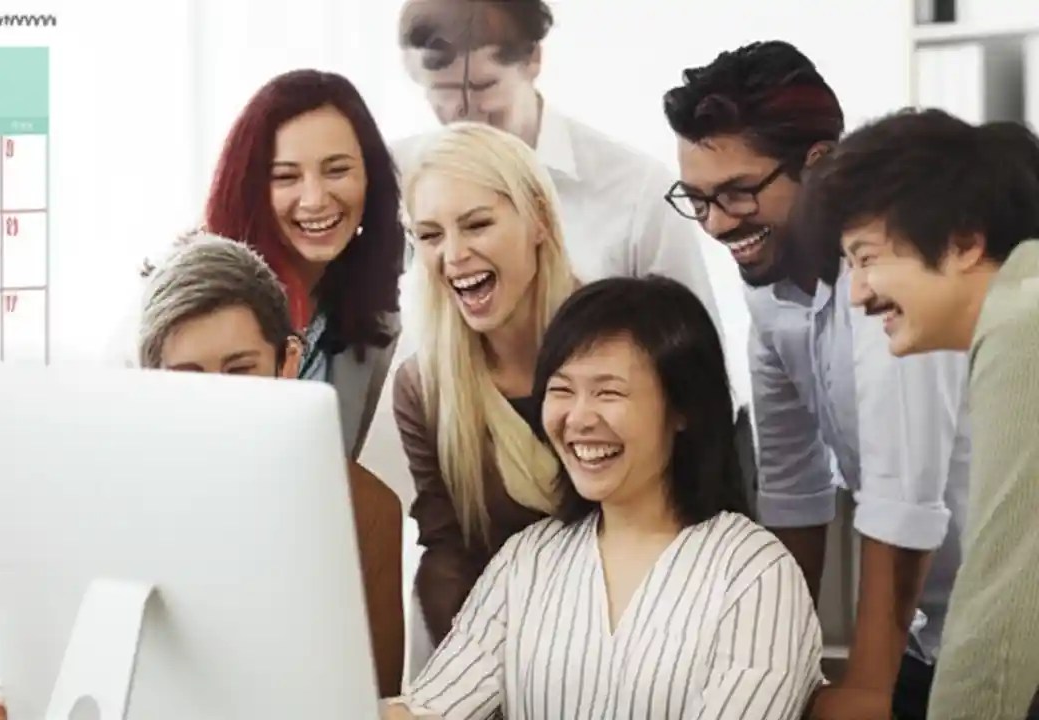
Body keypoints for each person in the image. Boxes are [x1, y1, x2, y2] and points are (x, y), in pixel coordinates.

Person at [0, 233, 405, 720]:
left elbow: (371, 703)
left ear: (287, 362)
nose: (217, 399)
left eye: (239, 370)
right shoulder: (104, 495)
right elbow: (47, 639)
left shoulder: (363, 511)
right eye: (190, 376)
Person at [663, 41, 972, 720]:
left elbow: (902, 497)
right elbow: (792, 488)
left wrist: (864, 686)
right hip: (927, 631)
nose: (717, 223)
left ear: (820, 162)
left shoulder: (895, 271)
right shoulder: (769, 293)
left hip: (1001, 623)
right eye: (699, 199)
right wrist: (775, 662)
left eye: (740, 191)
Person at [384, 275, 823, 720]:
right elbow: (428, 710)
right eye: (561, 390)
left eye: (608, 392)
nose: (578, 418)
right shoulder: (528, 559)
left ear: (683, 409)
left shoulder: (755, 574)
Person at [794, 107, 1039, 720]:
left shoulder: (1022, 328)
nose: (857, 293)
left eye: (868, 258)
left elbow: (1003, 600)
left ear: (963, 243)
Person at [389, 0, 720, 328]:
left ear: (533, 58)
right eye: (443, 90)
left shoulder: (636, 189)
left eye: (484, 85)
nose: (463, 110)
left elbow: (697, 356)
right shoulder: (397, 173)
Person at [134, 69, 406, 461]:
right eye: (285, 177)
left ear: (371, 179)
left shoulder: (377, 315)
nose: (314, 199)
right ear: (250, 187)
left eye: (337, 170)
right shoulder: (177, 292)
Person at [392, 120, 580, 652]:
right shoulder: (422, 385)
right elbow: (449, 548)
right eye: (430, 235)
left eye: (476, 225)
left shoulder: (619, 342)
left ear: (538, 220)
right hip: (503, 648)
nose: (453, 257)